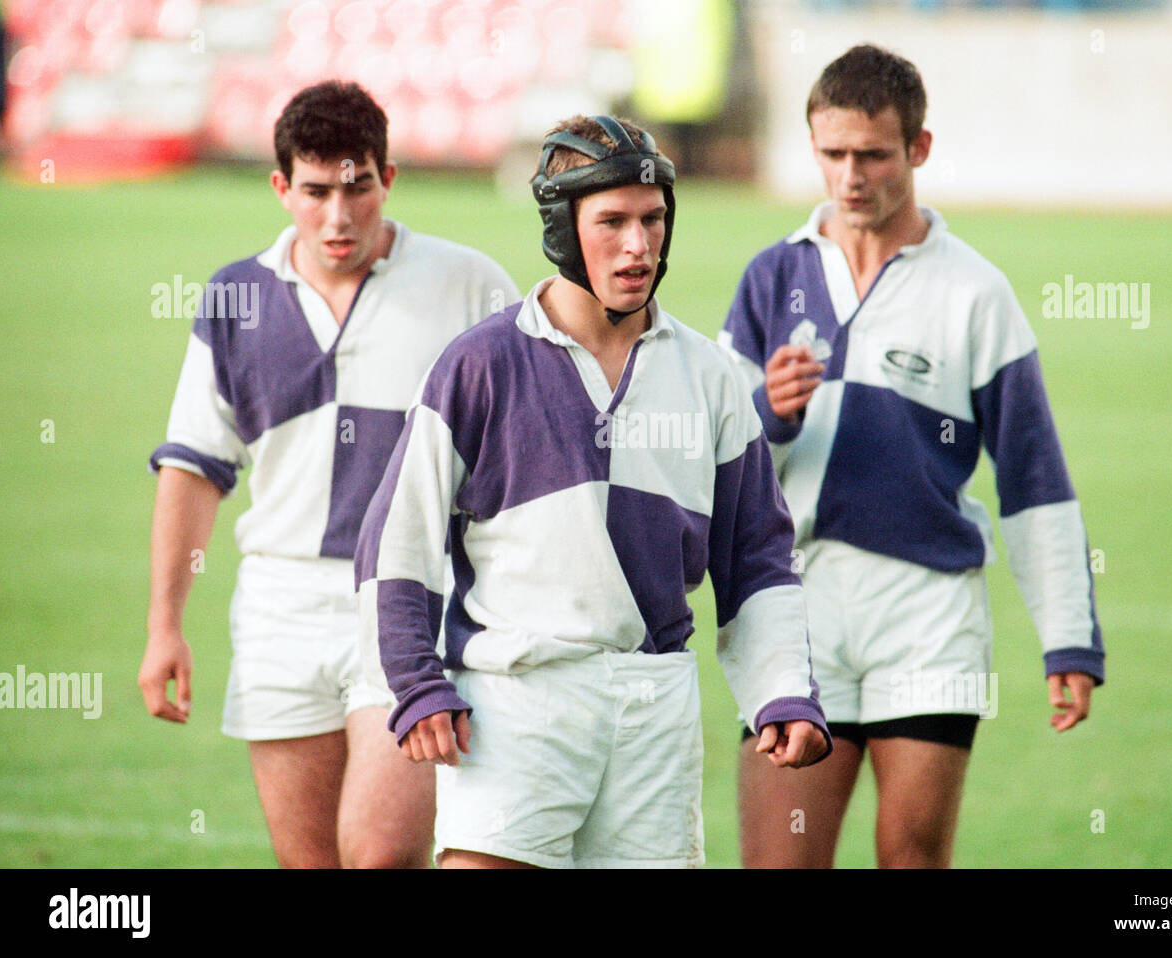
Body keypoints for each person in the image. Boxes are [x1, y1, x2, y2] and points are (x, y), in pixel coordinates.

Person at [355, 114, 830, 869]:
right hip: (514, 707)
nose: (639, 246)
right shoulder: (479, 365)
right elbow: (396, 539)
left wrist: (781, 690)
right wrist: (415, 683)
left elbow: (760, 563)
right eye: (612, 222)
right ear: (561, 229)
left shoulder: (710, 379)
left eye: (653, 220)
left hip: (656, 715)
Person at [721, 45, 1104, 868]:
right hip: (797, 609)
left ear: (918, 149)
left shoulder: (975, 293)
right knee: (779, 862)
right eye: (832, 155)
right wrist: (767, 414)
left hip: (927, 614)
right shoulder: (769, 279)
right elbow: (713, 465)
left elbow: (1033, 477)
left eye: (872, 155)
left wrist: (1067, 638)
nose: (850, 176)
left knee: (913, 858)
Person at [138, 80, 519, 868]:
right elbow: (193, 469)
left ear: (388, 178)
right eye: (315, 192)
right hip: (280, 606)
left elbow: (524, 454)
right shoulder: (233, 297)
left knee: (379, 856)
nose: (338, 216)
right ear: (281, 188)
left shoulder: (470, 286)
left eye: (357, 187)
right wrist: (164, 625)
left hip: (412, 601)